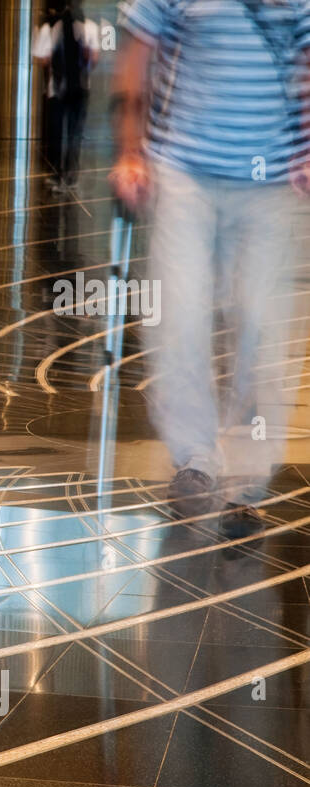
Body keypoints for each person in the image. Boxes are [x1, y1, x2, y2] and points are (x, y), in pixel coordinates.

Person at [111, 0, 310, 538]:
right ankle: (196, 459)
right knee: (180, 318)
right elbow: (138, 54)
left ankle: (247, 474)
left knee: (263, 330)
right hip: (183, 174)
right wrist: (131, 150)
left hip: (270, 184)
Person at [33, 2, 98, 191]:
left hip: (58, 89)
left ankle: (57, 173)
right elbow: (94, 58)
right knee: (73, 133)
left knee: (58, 133)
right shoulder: (90, 27)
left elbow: (41, 58)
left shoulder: (51, 28)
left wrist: (55, 60)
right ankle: (70, 174)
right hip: (78, 89)